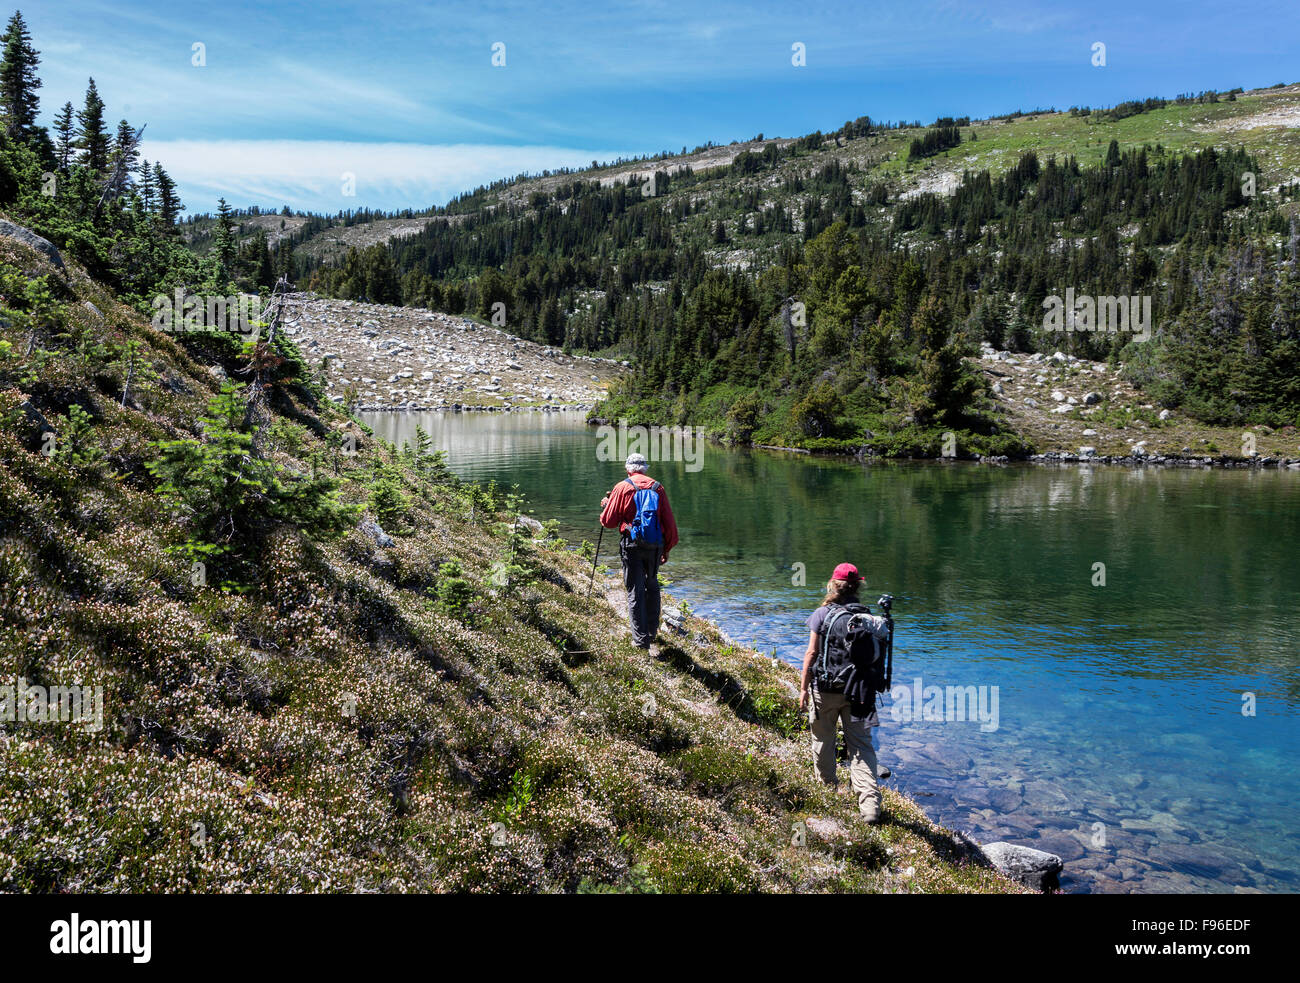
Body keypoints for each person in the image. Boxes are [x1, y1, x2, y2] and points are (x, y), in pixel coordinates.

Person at [800, 562, 892, 821]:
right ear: (858, 587)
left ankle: (828, 794)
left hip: (825, 690)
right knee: (861, 747)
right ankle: (870, 806)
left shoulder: (822, 614)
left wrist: (803, 688)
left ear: (832, 584)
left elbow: (812, 653)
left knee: (823, 741)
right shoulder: (865, 617)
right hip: (859, 692)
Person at [599, 453, 679, 649]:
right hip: (655, 545)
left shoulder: (623, 487)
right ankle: (651, 632)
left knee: (635, 590)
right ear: (645, 468)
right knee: (652, 585)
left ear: (628, 469)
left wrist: (607, 505)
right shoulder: (657, 487)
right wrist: (666, 548)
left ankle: (640, 641)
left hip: (632, 546)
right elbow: (669, 523)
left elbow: (608, 522)